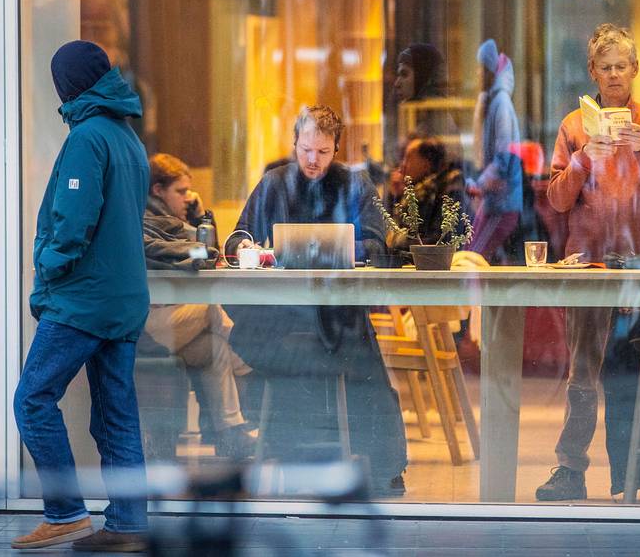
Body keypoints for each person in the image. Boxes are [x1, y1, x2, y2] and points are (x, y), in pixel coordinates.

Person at [226, 105, 409, 495]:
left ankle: (384, 466)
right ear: (295, 143)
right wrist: (243, 244)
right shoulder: (273, 183)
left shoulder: (355, 185)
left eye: (323, 152)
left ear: (336, 149)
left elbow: (379, 245)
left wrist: (341, 248)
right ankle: (299, 455)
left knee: (365, 369)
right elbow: (237, 235)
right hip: (280, 318)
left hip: (337, 315)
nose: (313, 160)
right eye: (306, 149)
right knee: (352, 362)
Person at [536, 23, 640, 502]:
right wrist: (581, 160)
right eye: (606, 66)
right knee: (583, 375)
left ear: (635, 70)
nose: (615, 73)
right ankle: (570, 469)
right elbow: (557, 203)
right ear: (593, 73)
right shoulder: (573, 127)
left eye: (622, 65)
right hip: (589, 267)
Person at [12, 41, 150, 552]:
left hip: (83, 300)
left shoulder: (87, 138)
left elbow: (73, 222)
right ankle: (128, 524)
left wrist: (46, 264)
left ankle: (66, 511)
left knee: (31, 399)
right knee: (115, 414)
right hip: (121, 298)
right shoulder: (127, 137)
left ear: (68, 85)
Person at [142, 153, 256, 459]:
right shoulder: (143, 219)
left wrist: (198, 217)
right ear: (157, 190)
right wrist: (198, 231)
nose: (187, 198)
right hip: (144, 322)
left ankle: (229, 431)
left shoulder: (174, 223)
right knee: (209, 309)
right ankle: (251, 370)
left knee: (215, 347)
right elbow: (197, 254)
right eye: (180, 192)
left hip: (170, 316)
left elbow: (207, 253)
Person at [467, 39, 524, 263]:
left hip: (503, 202)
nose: (477, 74)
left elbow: (504, 156)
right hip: (494, 200)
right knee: (470, 253)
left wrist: (480, 184)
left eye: (480, 68)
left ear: (490, 71)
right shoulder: (492, 101)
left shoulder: (500, 103)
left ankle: (475, 299)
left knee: (473, 257)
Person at [385, 136, 467, 250]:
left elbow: (437, 241)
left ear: (426, 163)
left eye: (408, 158)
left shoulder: (447, 189)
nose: (402, 165)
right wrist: (396, 196)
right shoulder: (415, 191)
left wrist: (398, 241)